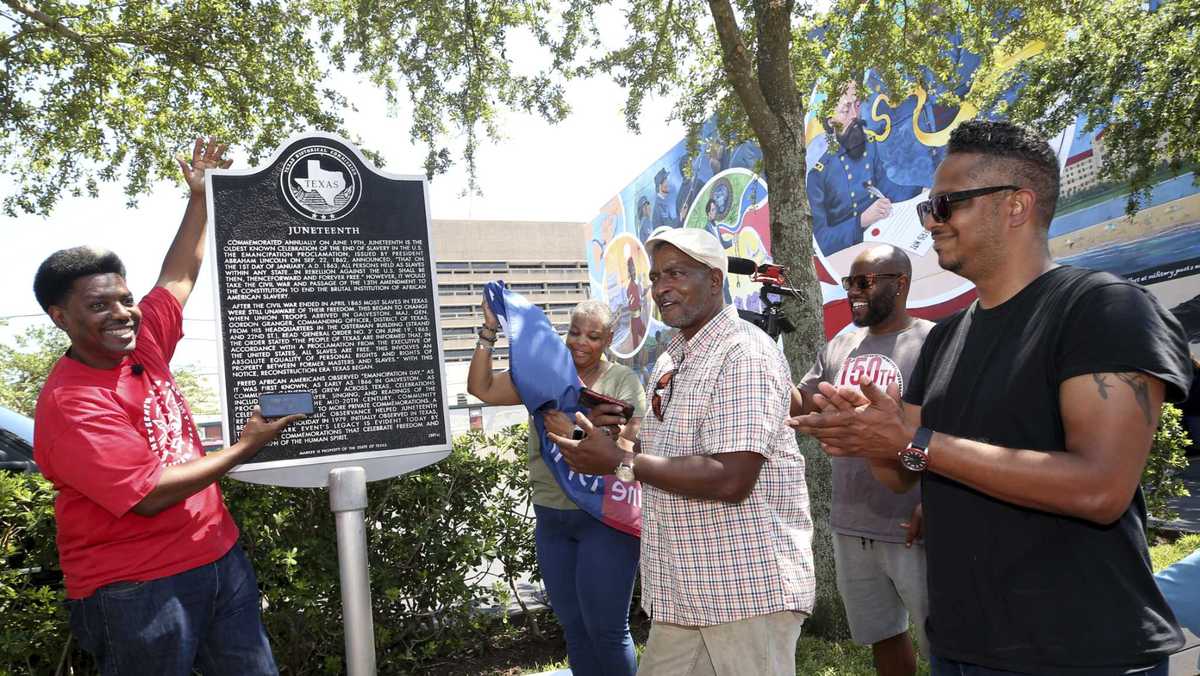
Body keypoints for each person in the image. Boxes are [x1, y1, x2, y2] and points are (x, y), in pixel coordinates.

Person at [793, 120, 1191, 675]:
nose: (930, 221)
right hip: (961, 647)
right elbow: (904, 474)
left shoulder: (1103, 310)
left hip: (1079, 652)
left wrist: (914, 440)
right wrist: (867, 436)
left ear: (1016, 205)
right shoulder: (948, 337)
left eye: (945, 204)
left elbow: (1100, 487)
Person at [31, 138, 305, 675]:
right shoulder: (71, 402)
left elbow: (178, 277)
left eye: (124, 299)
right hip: (137, 588)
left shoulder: (144, 342)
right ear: (59, 316)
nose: (122, 314)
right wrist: (247, 447)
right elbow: (149, 496)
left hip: (219, 560)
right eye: (98, 305)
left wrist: (199, 198)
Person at [549, 228, 814, 676]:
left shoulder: (745, 353)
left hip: (745, 590)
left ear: (715, 280)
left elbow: (730, 477)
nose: (661, 287)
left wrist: (618, 462)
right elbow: (663, 456)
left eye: (676, 273)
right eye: (655, 277)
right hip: (683, 590)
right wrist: (608, 442)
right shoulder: (673, 358)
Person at [466, 298, 646, 676]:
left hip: (604, 519)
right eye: (574, 332)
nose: (580, 342)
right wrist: (489, 331)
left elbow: (629, 452)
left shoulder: (623, 383)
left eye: (593, 336)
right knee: (576, 630)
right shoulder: (544, 374)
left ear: (609, 339)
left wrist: (576, 431)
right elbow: (481, 388)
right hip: (551, 517)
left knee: (607, 630)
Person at [790, 244, 931, 676]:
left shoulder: (932, 340)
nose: (852, 291)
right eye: (849, 282)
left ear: (901, 284)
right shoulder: (843, 343)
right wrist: (768, 361)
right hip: (852, 525)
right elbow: (804, 404)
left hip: (916, 526)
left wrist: (937, 502)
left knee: (946, 644)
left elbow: (954, 430)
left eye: (863, 282)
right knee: (883, 637)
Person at [808, 83, 921, 255]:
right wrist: (861, 221)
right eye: (846, 110)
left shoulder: (868, 146)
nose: (855, 115)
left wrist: (922, 191)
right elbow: (821, 241)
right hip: (848, 254)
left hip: (881, 237)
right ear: (829, 119)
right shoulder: (818, 173)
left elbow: (887, 189)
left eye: (857, 105)